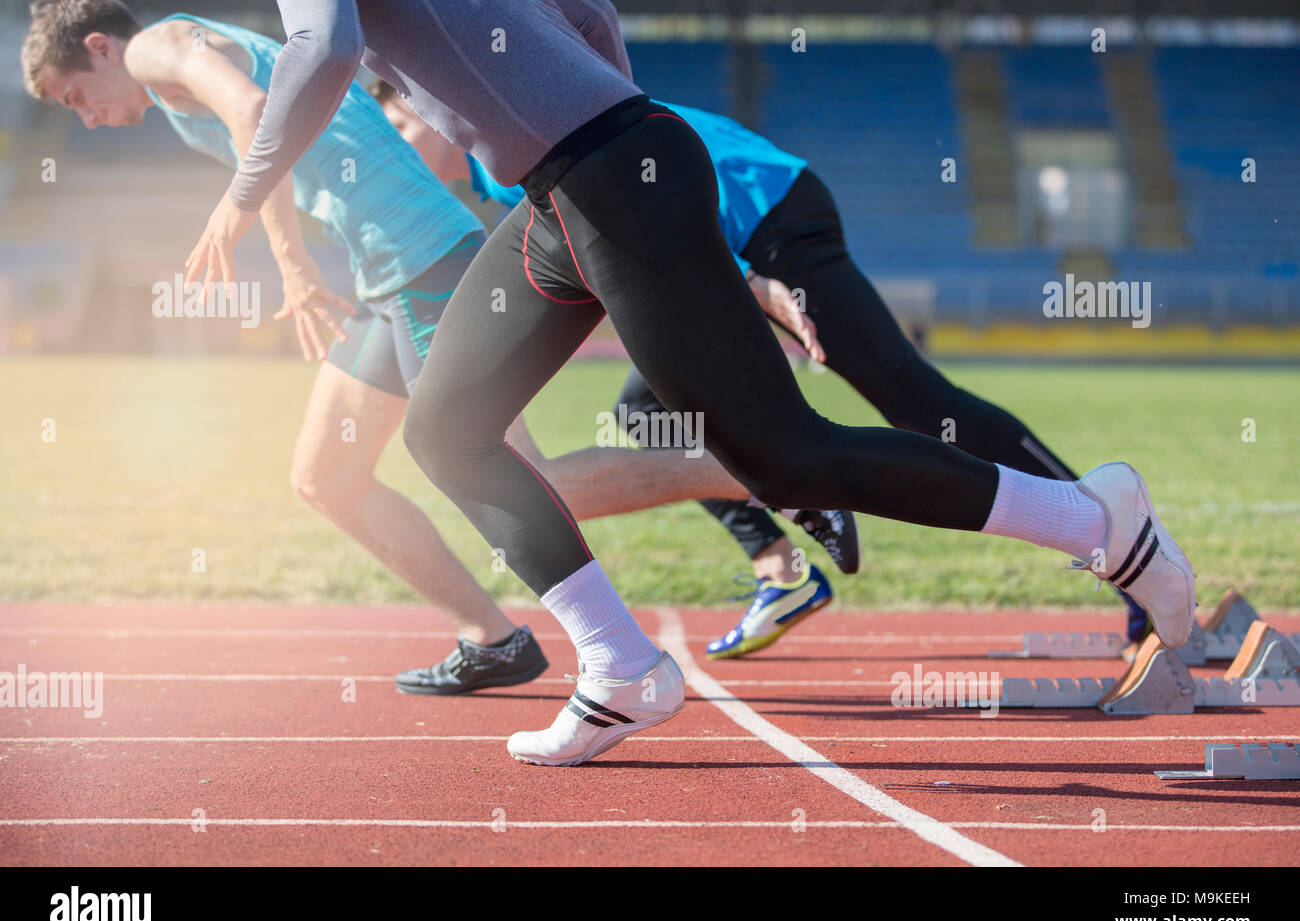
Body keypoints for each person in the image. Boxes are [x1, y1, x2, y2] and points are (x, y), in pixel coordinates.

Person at [181, 0, 1197, 767]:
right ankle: (619, 666)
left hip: (606, 180)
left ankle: (1094, 517)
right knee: (447, 429)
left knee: (786, 451)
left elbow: (325, 51)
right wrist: (608, 114)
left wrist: (243, 194)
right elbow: (585, 11)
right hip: (568, 194)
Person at [20, 0, 852, 696]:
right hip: (391, 273)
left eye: (75, 97)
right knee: (326, 477)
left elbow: (247, 113)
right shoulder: (177, 64)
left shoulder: (163, 45)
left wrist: (289, 262)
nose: (88, 118)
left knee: (532, 484)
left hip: (422, 262)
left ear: (101, 46)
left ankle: (773, 475)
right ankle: (493, 640)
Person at [372, 67, 1153, 663]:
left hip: (769, 218)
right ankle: (781, 569)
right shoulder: (500, 161)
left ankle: (1116, 540)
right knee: (651, 415)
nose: (403, 151)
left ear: (439, 107)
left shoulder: (515, 125)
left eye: (404, 127)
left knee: (914, 395)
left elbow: (652, 187)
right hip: (715, 252)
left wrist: (751, 284)